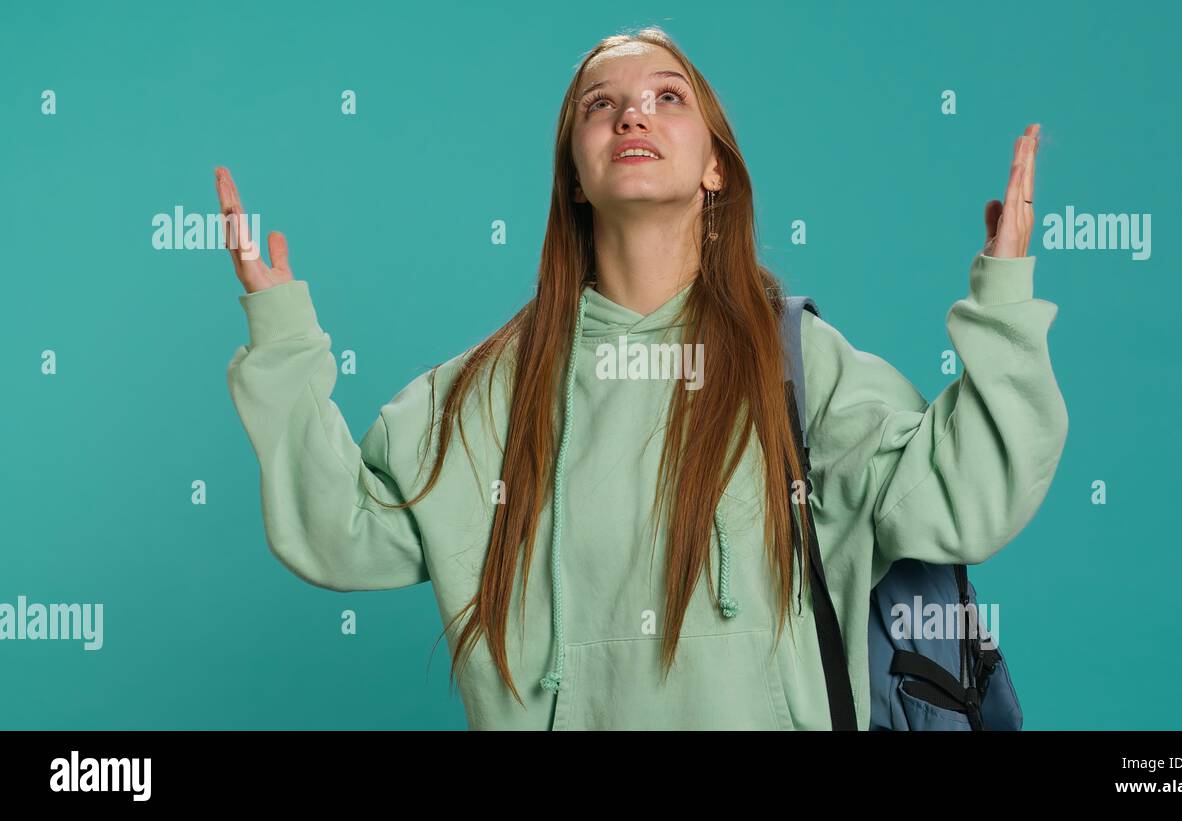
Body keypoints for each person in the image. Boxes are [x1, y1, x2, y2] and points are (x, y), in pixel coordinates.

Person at [220, 26, 1067, 730]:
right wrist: (285, 341)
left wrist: (1002, 301)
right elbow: (340, 531)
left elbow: (967, 499)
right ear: (576, 180)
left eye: (668, 97)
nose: (633, 112)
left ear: (715, 168)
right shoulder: (487, 393)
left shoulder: (802, 368)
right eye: (601, 104)